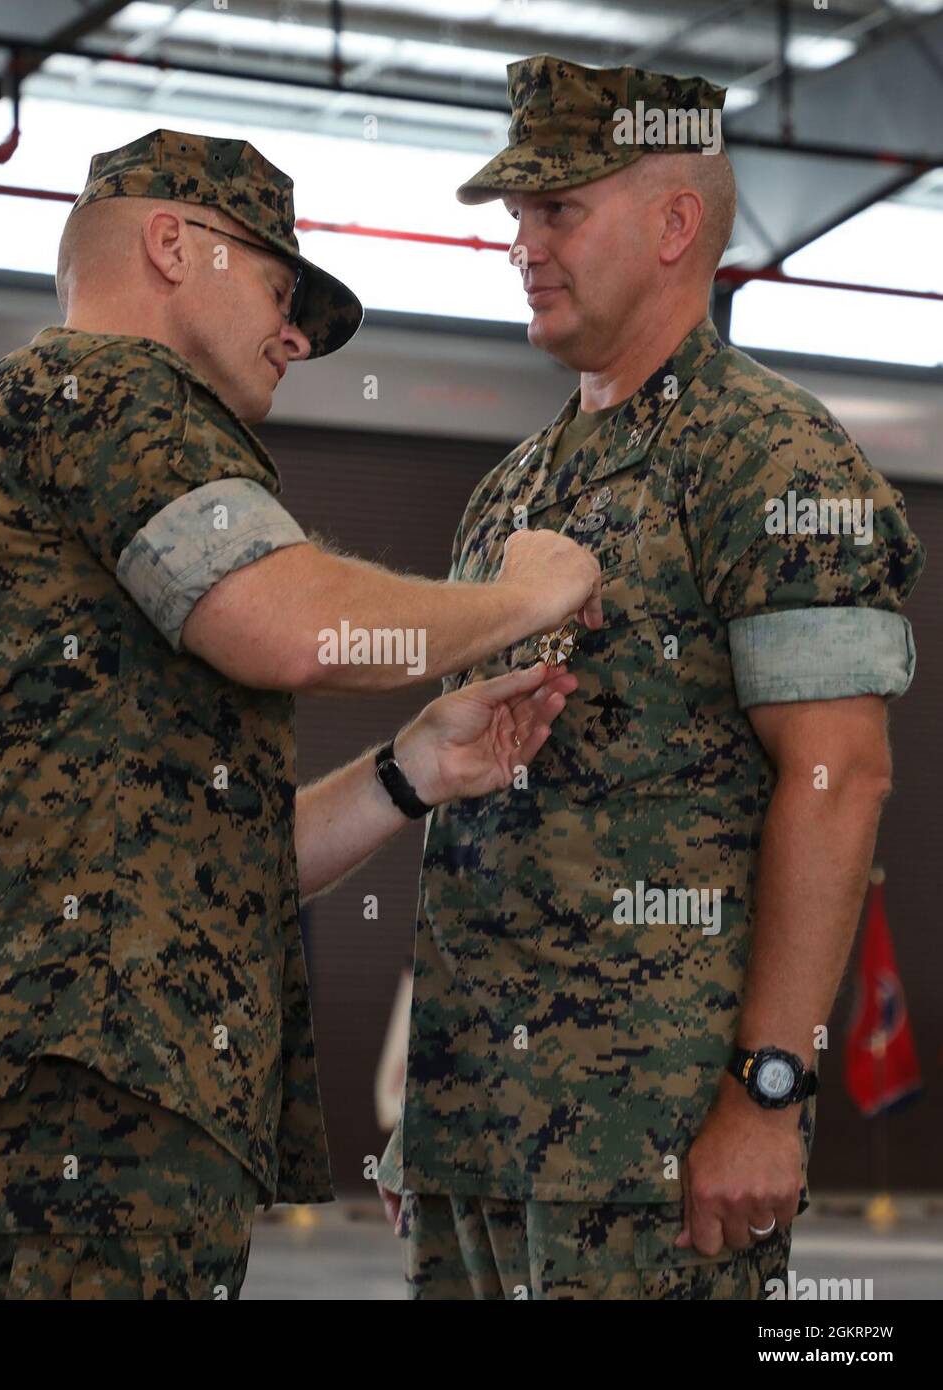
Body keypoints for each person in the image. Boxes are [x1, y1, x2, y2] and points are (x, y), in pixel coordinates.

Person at [0, 128, 602, 1299]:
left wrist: (405, 773)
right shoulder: (106, 388)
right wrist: (523, 595)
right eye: (279, 286)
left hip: (81, 1072)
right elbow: (291, 620)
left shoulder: (56, 437)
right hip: (89, 1081)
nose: (298, 335)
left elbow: (209, 865)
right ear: (171, 244)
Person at [377, 56, 925, 1300]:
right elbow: (475, 815)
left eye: (555, 208)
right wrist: (432, 1105)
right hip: (475, 1142)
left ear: (676, 223)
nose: (521, 242)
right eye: (515, 214)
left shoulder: (773, 459)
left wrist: (766, 1093)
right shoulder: (510, 490)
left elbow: (839, 780)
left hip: (656, 1160)